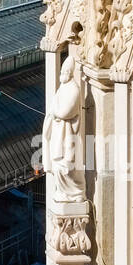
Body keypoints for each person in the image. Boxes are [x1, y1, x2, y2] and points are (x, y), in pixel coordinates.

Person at [44, 57, 86, 203]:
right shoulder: (64, 86)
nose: (62, 74)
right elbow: (56, 108)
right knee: (59, 165)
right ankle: (64, 192)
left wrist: (54, 109)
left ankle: (74, 193)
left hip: (67, 134)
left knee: (68, 166)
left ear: (70, 73)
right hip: (59, 133)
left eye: (65, 71)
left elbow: (64, 112)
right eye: (61, 71)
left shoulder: (74, 89)